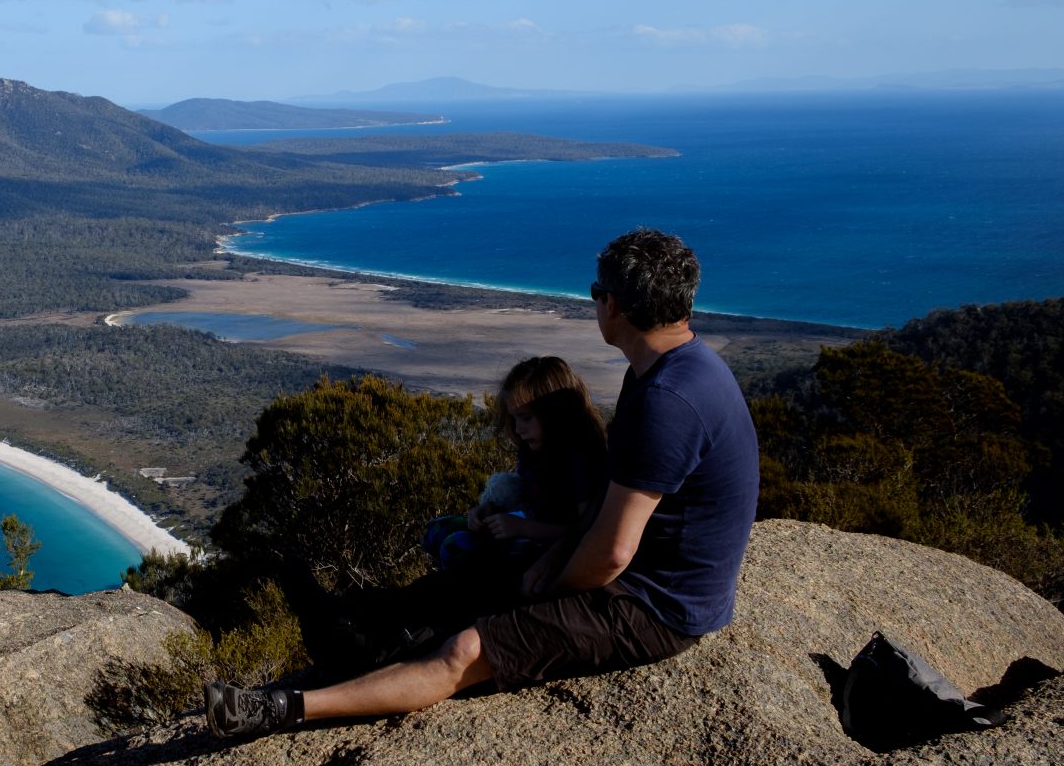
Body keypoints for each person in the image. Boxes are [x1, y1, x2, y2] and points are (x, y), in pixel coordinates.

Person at [206, 228, 759, 737]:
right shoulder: (674, 371)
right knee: (475, 582)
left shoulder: (666, 401)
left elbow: (614, 551)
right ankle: (350, 636)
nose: (595, 304)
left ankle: (277, 711)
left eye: (595, 293)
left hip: (658, 608)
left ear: (612, 304)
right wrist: (553, 555)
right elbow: (607, 513)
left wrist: (542, 587)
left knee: (467, 648)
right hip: (654, 578)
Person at [423, 355, 608, 575]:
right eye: (514, 419)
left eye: (526, 418)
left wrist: (523, 528)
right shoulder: (534, 450)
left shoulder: (581, 457)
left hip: (553, 549)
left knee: (456, 547)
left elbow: (587, 530)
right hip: (525, 525)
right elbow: (527, 497)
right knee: (435, 530)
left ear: (555, 413)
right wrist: (488, 512)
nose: (519, 429)